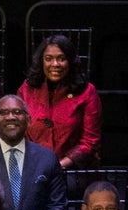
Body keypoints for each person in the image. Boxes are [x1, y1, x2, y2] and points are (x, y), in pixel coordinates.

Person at [20, 33, 102, 169]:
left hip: (73, 169)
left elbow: (90, 141)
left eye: (61, 58)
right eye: (48, 59)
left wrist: (60, 166)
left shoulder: (87, 92)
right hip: (33, 166)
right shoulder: (27, 89)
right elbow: (19, 132)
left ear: (70, 61)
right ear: (42, 61)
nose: (55, 64)